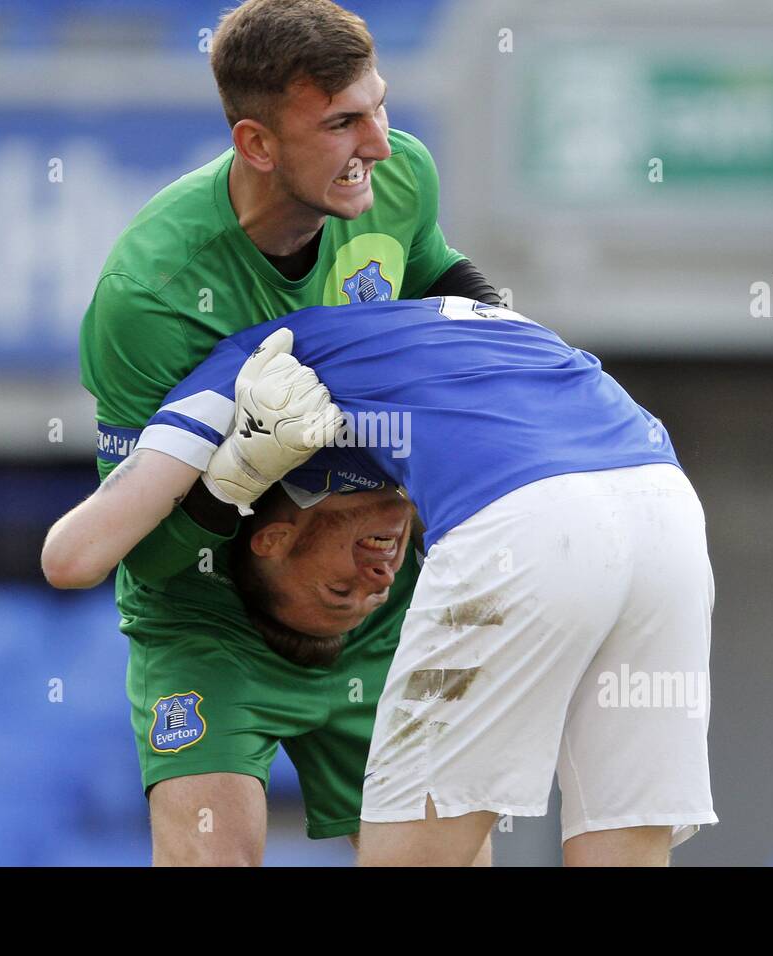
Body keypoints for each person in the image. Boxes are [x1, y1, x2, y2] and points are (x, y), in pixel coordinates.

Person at [46, 295, 719, 866]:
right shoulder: (439, 319)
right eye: (365, 596)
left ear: (274, 541)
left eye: (342, 591)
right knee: (625, 846)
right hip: (667, 509)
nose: (381, 578)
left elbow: (70, 558)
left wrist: (232, 478)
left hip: (531, 519)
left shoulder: (261, 359)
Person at [71, 0, 499, 864]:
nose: (377, 143)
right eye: (342, 122)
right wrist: (230, 476)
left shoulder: (400, 175)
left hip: (379, 605)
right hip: (211, 622)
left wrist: (495, 324)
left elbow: (434, 273)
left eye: (379, 106)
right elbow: (142, 551)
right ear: (257, 145)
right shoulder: (148, 295)